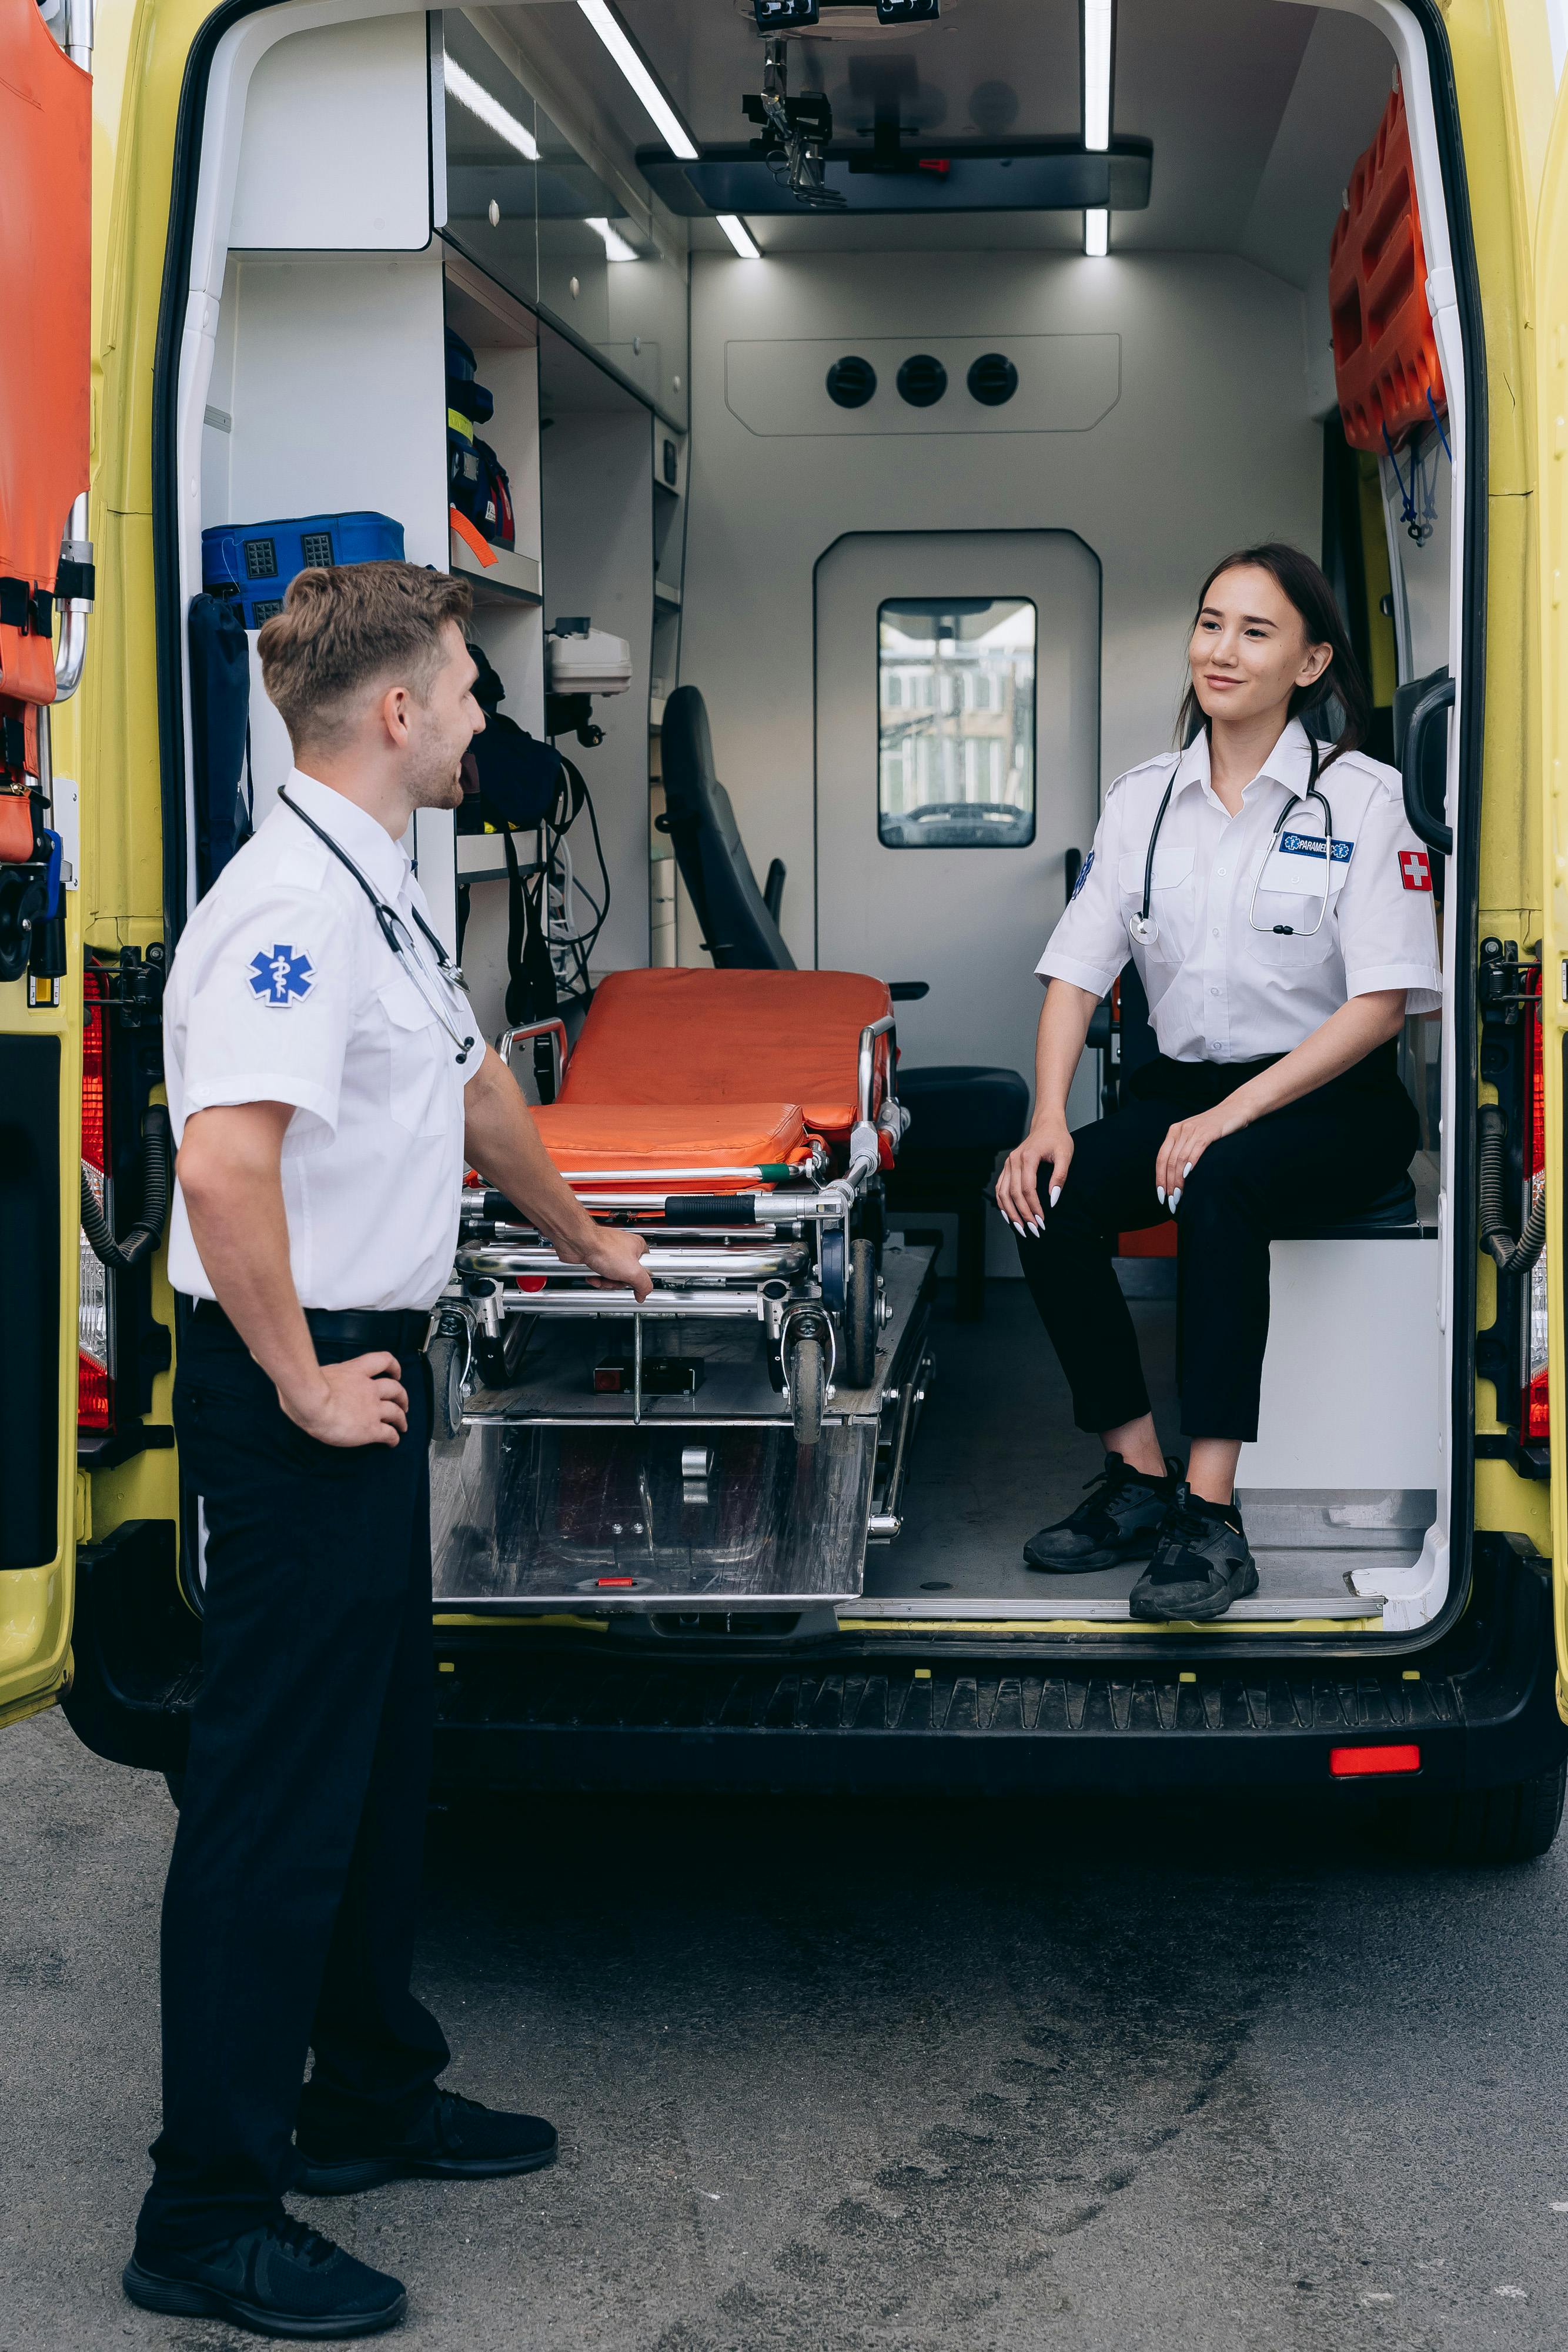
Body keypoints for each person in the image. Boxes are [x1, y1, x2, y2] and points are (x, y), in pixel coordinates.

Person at [124, 562, 651, 2338]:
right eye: (471, 692)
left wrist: (581, 1239)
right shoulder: (289, 905)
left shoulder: (384, 890)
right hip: (302, 1395)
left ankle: (361, 2092)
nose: (491, 721)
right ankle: (204, 2214)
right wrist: (297, 1380)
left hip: (358, 1377)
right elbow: (220, 1168)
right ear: (403, 712)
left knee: (372, 1770)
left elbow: (476, 1083)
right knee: (272, 1807)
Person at [997, 543, 1440, 1624]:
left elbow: (1378, 1004)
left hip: (1331, 1106)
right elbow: (1074, 973)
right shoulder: (1143, 802)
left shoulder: (1363, 801)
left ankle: (1211, 1516)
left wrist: (1229, 1116)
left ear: (1310, 660)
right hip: (1180, 1094)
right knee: (1041, 1194)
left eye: (1255, 631)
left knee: (1224, 1177)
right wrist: (1046, 1118)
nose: (1222, 650)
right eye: (1210, 624)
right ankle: (1139, 1475)